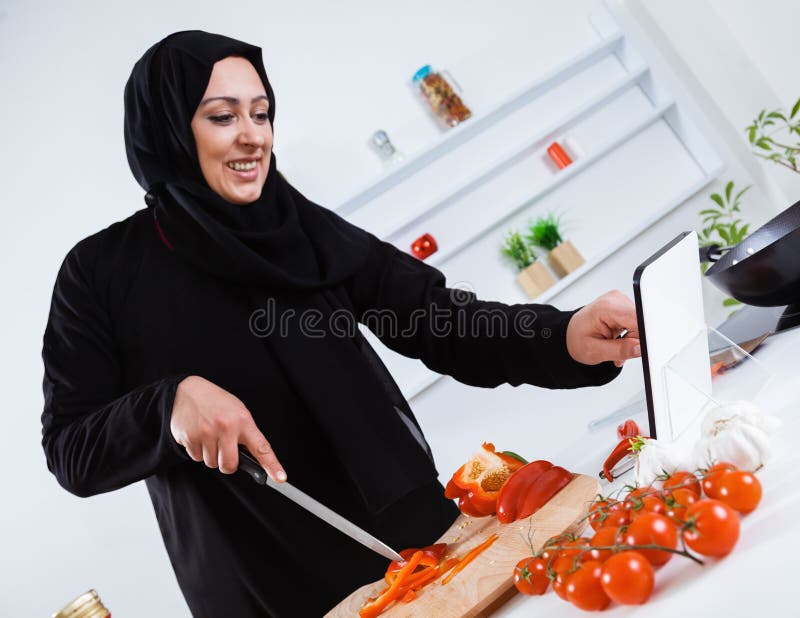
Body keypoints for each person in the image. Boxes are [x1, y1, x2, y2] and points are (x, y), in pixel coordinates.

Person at [40, 31, 641, 617]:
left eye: (262, 113)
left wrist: (564, 335)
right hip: (271, 587)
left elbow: (437, 318)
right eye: (223, 116)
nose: (254, 135)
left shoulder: (300, 226)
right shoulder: (99, 273)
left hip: (419, 546)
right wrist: (167, 405)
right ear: (168, 129)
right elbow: (71, 450)